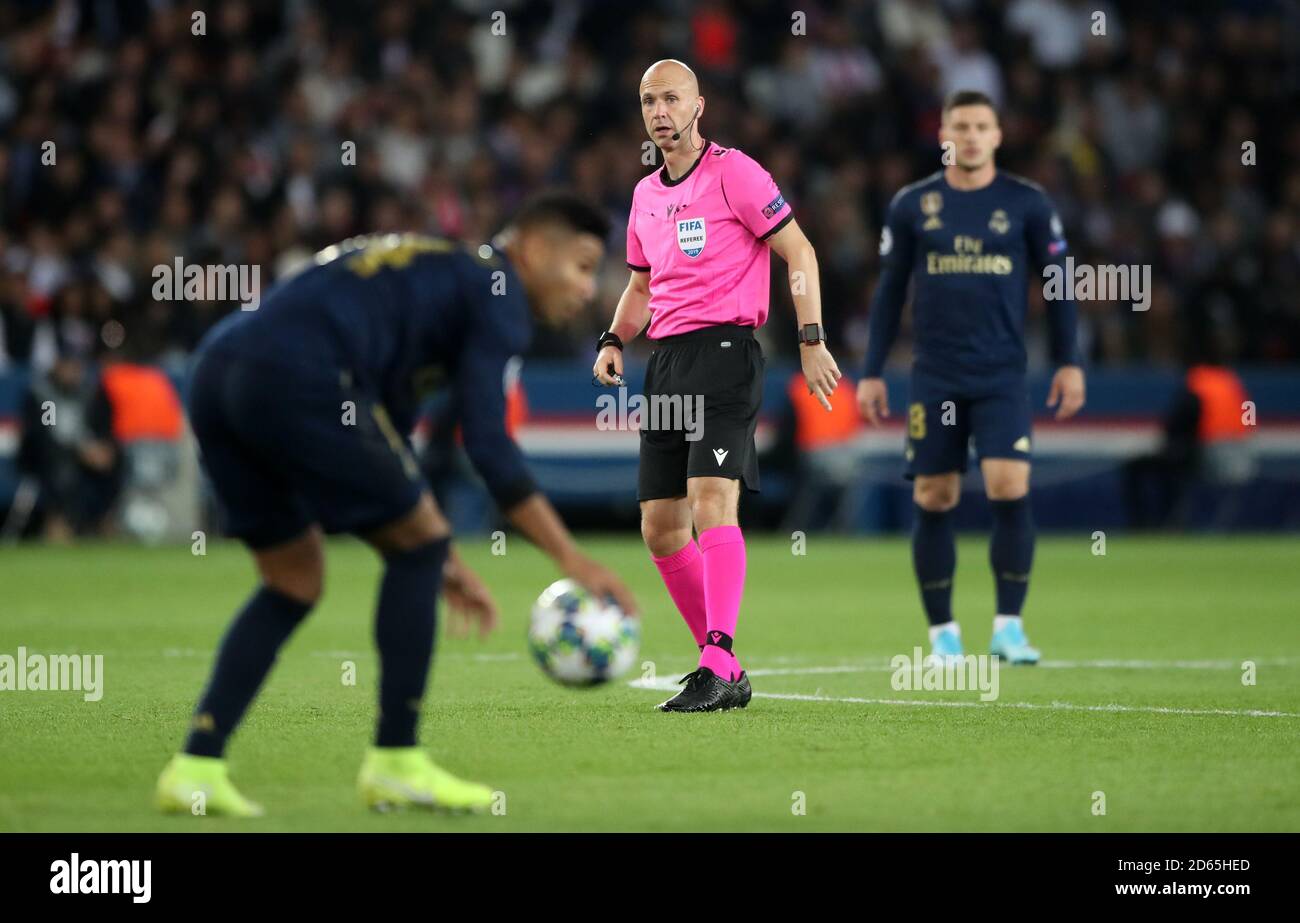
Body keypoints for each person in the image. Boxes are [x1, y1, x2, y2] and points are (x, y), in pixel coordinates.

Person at [156, 193, 637, 817]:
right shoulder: (499, 292)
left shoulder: (440, 276)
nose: (587, 288)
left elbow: (392, 444)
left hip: (220, 370)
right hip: (299, 373)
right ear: (536, 249)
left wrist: (437, 552)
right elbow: (489, 446)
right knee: (414, 548)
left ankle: (195, 767)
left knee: (293, 580)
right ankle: (396, 761)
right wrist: (573, 560)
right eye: (581, 265)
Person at [593, 59, 842, 712]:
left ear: (699, 105)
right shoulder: (646, 195)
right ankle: (722, 663)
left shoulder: (736, 173)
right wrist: (615, 338)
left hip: (728, 351)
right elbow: (642, 286)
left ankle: (717, 656)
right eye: (649, 100)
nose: (659, 111)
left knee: (711, 497)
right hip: (667, 362)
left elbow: (801, 252)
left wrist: (811, 337)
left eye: (671, 98)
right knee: (660, 525)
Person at [856, 90, 1085, 666]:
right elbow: (889, 292)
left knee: (1011, 485)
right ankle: (943, 636)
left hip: (1002, 374)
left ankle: (1009, 627)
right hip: (934, 376)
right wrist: (872, 371)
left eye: (983, 125)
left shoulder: (1028, 203)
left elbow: (1059, 285)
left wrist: (1069, 361)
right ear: (944, 136)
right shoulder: (913, 205)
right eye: (962, 125)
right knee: (936, 495)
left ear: (998, 135)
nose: (973, 135)